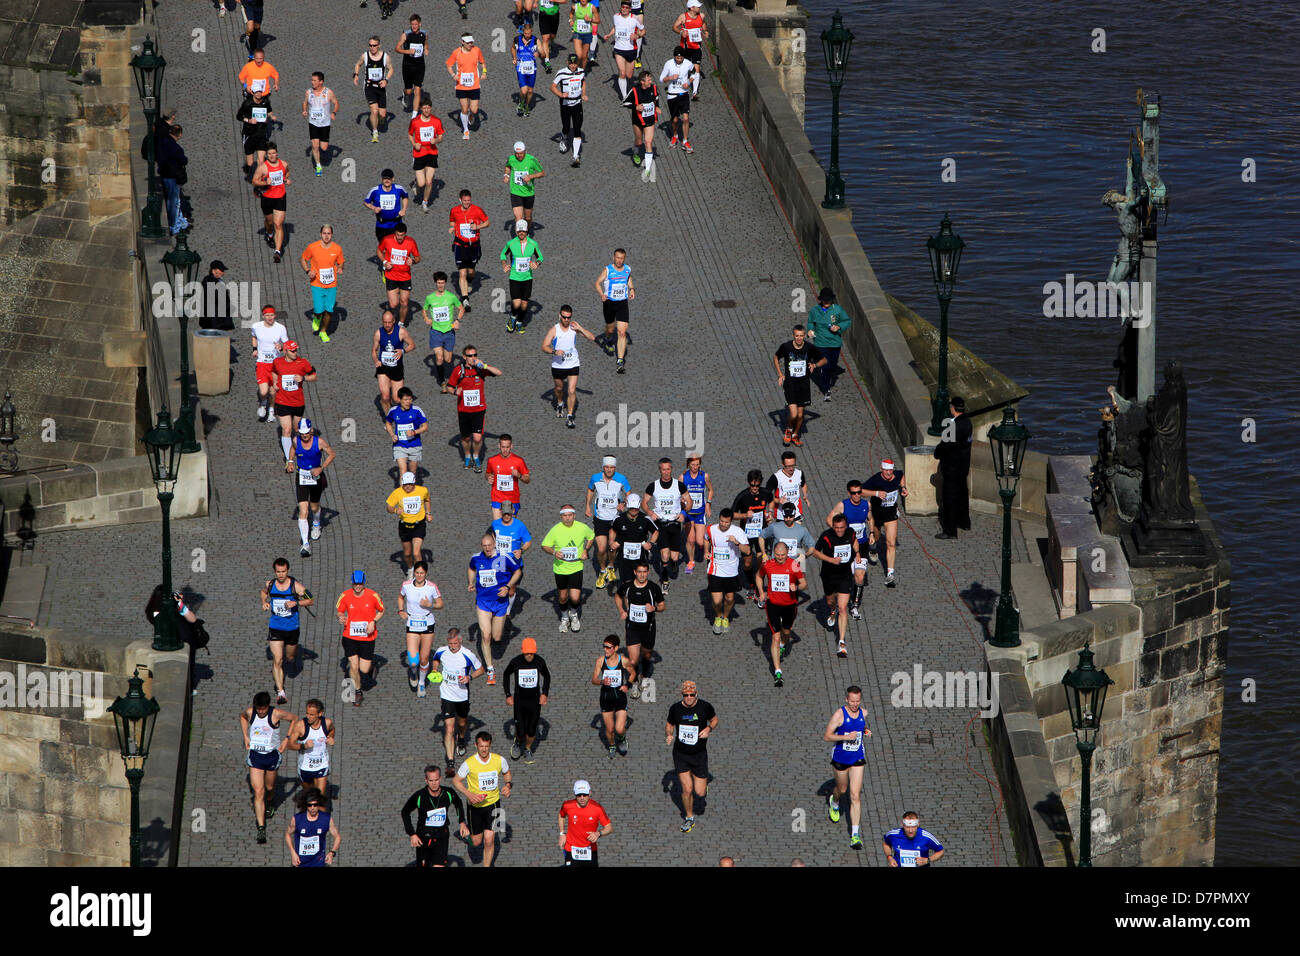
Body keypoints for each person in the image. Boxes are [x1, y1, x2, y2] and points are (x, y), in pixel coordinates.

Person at [467, 533, 523, 686]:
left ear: (494, 544)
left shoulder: (504, 558)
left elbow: (518, 572)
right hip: (483, 602)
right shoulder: (476, 558)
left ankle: (505, 623)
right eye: (484, 546)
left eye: (489, 545)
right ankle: (490, 670)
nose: (487, 548)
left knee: (497, 637)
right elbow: (471, 568)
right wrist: (471, 582)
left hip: (500, 603)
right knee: (486, 635)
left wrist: (507, 586)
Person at [240, 691, 294, 844]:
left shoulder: (276, 714)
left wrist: (287, 740)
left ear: (268, 706)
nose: (261, 712)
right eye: (258, 709)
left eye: (263, 709)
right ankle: (261, 828)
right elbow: (242, 717)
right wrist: (245, 735)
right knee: (258, 791)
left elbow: (294, 719)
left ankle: (270, 802)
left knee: (269, 787)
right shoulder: (251, 712)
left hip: (271, 757)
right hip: (256, 757)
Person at [453, 731, 512, 867]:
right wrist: (469, 794)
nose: (484, 749)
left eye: (486, 746)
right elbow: (456, 781)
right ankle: (466, 835)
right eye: (481, 746)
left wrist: (508, 785)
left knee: (490, 839)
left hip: (493, 804)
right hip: (475, 807)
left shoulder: (499, 760)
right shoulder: (469, 763)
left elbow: (507, 773)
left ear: (490, 745)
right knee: (476, 842)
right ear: (476, 745)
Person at [430, 628, 485, 771]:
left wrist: (469, 677)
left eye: (455, 643)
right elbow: (435, 659)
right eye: (450, 643)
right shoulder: (442, 651)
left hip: (462, 695)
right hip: (446, 695)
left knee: (462, 723)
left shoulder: (468, 655)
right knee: (449, 728)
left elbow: (480, 669)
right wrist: (435, 670)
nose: (452, 647)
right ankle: (450, 762)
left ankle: (461, 739)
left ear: (460, 641)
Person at [261, 558, 314, 703]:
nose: (281, 575)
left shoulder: (295, 586)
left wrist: (296, 603)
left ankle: (290, 657)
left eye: (283, 571)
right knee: (277, 660)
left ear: (288, 571)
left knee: (289, 658)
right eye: (278, 572)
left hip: (292, 628)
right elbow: (263, 592)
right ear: (275, 571)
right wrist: (264, 602)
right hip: (275, 627)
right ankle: (281, 692)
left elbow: (311, 600)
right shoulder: (270, 584)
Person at [823, 686, 871, 848]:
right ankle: (834, 801)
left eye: (857, 701)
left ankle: (855, 835)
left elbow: (861, 727)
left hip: (857, 757)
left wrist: (866, 731)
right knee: (842, 790)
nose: (855, 704)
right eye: (852, 701)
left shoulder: (864, 713)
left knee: (855, 796)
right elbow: (827, 736)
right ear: (846, 699)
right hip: (841, 758)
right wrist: (844, 736)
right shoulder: (839, 715)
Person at [666, 680, 717, 832]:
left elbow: (715, 720)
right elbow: (669, 725)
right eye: (686, 695)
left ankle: (702, 785)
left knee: (699, 792)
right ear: (682, 694)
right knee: (687, 789)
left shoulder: (705, 707)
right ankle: (689, 817)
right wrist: (669, 734)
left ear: (696, 694)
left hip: (699, 754)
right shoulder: (675, 708)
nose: (689, 698)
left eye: (692, 695)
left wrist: (709, 728)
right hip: (680, 754)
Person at [755, 541, 803, 686]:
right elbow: (758, 576)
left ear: (787, 554)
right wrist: (762, 592)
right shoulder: (768, 565)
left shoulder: (794, 564)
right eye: (777, 555)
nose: (780, 557)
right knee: (775, 637)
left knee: (786, 632)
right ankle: (778, 671)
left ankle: (783, 644)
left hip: (789, 605)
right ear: (773, 553)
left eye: (782, 555)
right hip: (773, 605)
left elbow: (804, 583)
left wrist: (797, 586)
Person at [810, 513, 858, 658]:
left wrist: (857, 553)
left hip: (845, 576)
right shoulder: (826, 536)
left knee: (843, 608)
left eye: (841, 527)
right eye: (836, 528)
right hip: (829, 576)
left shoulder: (850, 532)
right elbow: (814, 552)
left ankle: (841, 642)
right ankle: (832, 610)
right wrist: (830, 560)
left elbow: (854, 541)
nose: (839, 530)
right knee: (831, 601)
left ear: (846, 526)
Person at [540, 505, 594, 632]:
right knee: (563, 597)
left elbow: (591, 536)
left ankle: (573, 615)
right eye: (565, 516)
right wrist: (554, 552)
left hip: (576, 567)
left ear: (574, 516)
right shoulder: (556, 530)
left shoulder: (581, 527)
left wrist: (586, 550)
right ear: (561, 517)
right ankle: (564, 617)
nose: (568, 518)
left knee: (575, 598)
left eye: (570, 515)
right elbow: (544, 545)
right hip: (560, 569)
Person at [614, 560, 664, 697]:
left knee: (647, 655)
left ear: (648, 572)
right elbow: (617, 596)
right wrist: (622, 611)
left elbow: (662, 606)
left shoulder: (653, 588)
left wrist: (654, 608)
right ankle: (635, 682)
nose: (642, 575)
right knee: (633, 660)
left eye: (645, 572)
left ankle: (644, 676)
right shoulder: (628, 586)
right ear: (635, 572)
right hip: (632, 627)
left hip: (648, 628)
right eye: (639, 572)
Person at [402, 765, 468, 867]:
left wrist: (462, 822)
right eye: (431, 780)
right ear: (426, 780)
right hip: (424, 837)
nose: (434, 783)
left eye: (436, 780)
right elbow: (405, 812)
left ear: (440, 779)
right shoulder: (419, 796)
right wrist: (412, 834)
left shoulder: (448, 793)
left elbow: (458, 803)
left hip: (442, 835)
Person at [542, 304, 597, 428]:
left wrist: (580, 328)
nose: (566, 320)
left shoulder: (574, 328)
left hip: (573, 363)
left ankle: (570, 416)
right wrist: (554, 351)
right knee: (559, 389)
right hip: (558, 365)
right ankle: (560, 403)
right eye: (564, 317)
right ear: (559, 316)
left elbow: (592, 337)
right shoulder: (554, 330)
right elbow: (544, 346)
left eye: (568, 317)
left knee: (571, 390)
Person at [335, 570, 385, 706]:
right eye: (355, 584)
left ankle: (370, 668)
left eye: (360, 584)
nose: (357, 586)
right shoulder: (345, 595)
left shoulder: (373, 595)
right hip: (350, 636)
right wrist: (341, 617)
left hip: (367, 637)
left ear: (364, 583)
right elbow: (339, 611)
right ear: (352, 582)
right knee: (354, 665)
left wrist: (373, 622)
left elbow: (381, 610)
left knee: (363, 668)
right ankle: (357, 692)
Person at [286, 418, 334, 555]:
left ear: (311, 430)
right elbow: (293, 448)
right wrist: (290, 461)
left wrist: (321, 467)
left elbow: (332, 454)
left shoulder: (319, 442)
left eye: (306, 433)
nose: (304, 436)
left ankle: (317, 524)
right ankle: (305, 544)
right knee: (303, 511)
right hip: (301, 476)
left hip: (315, 477)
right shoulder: (296, 440)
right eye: (302, 433)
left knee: (314, 506)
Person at [448, 346, 501, 470]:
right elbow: (449, 387)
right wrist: (456, 392)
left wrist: (485, 366)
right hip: (463, 410)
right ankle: (467, 455)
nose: (473, 358)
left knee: (477, 438)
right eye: (470, 356)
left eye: (475, 355)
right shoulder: (458, 371)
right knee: (466, 437)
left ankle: (476, 456)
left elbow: (499, 373)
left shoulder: (480, 369)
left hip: (479, 409)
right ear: (464, 357)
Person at [826, 480, 872, 619]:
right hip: (846, 546)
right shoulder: (843, 505)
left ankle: (855, 606)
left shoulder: (866, 504)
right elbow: (829, 519)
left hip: (862, 545)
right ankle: (837, 605)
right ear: (849, 493)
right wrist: (841, 533)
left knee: (859, 576)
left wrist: (871, 534)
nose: (857, 495)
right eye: (854, 493)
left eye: (859, 492)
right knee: (841, 577)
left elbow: (870, 518)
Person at [773, 325, 826, 446]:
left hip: (804, 384)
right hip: (790, 384)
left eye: (801, 336)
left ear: (804, 336)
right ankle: (788, 430)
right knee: (794, 414)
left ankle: (795, 434)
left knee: (801, 414)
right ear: (793, 335)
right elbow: (776, 357)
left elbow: (824, 360)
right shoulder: (786, 347)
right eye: (796, 336)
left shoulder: (809, 348)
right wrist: (780, 374)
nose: (799, 338)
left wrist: (814, 365)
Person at [398, 560, 444, 696]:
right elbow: (400, 597)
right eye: (417, 573)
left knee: (424, 659)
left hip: (427, 623)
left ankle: (422, 683)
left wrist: (430, 604)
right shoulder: (406, 585)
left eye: (422, 573)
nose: (419, 576)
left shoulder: (431, 587)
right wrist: (401, 610)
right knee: (413, 661)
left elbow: (440, 603)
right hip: (412, 623)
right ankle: (413, 672)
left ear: (426, 573)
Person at [502, 637, 550, 761]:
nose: (529, 656)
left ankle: (527, 748)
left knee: (532, 730)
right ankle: (517, 743)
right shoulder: (516, 662)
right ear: (523, 651)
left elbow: (547, 676)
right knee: (521, 730)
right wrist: (508, 695)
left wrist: (544, 693)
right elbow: (506, 675)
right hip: (519, 701)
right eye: (527, 653)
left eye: (531, 653)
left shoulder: (539, 662)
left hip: (534, 701)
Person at [645, 457, 690, 591]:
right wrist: (649, 512)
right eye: (663, 469)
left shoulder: (679, 485)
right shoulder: (653, 486)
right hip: (661, 524)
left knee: (674, 557)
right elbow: (644, 502)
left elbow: (690, 502)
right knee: (664, 555)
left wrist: (683, 513)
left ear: (671, 469)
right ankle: (664, 579)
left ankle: (674, 563)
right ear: (660, 470)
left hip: (675, 524)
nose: (666, 472)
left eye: (668, 469)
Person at [586, 455, 630, 588]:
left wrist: (623, 503)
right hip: (600, 518)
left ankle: (611, 566)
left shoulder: (621, 479)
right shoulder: (595, 478)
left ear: (615, 468)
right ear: (603, 467)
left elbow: (628, 493)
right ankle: (602, 570)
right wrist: (587, 505)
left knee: (612, 547)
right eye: (607, 467)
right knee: (600, 549)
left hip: (615, 518)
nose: (609, 470)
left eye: (611, 467)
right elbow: (590, 489)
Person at [705, 508, 751, 635]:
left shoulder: (738, 532)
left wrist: (736, 543)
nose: (723, 524)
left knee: (730, 599)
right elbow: (705, 539)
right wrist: (706, 552)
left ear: (731, 521)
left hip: (731, 571)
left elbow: (747, 551)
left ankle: (725, 617)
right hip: (715, 569)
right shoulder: (711, 529)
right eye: (721, 521)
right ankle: (718, 616)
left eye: (726, 522)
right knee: (716, 600)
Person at [863, 459, 907, 586]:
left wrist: (903, 487)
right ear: (881, 469)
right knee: (876, 537)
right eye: (886, 470)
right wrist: (876, 493)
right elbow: (861, 491)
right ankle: (872, 548)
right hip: (876, 515)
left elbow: (902, 475)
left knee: (891, 544)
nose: (888, 473)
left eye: (890, 470)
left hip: (891, 515)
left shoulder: (897, 475)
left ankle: (890, 574)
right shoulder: (876, 480)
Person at [933, 396, 972, 539]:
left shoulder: (953, 427)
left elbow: (945, 446)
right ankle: (964, 522)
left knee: (949, 498)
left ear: (952, 409)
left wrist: (937, 453)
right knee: (962, 495)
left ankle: (950, 530)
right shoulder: (967, 423)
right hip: (963, 467)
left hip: (952, 469)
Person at [732, 469, 774, 600]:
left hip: (761, 532)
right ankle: (751, 583)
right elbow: (732, 514)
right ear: (749, 483)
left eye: (757, 485)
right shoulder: (742, 496)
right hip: (747, 534)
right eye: (752, 485)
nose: (755, 488)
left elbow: (771, 500)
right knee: (748, 563)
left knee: (763, 560)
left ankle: (758, 584)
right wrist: (745, 515)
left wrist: (770, 512)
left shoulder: (765, 493)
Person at [271, 341, 316, 462]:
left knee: (297, 429)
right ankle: (288, 458)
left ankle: (299, 449)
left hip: (298, 402)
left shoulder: (303, 363)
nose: (295, 353)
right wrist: (275, 383)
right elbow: (274, 371)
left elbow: (314, 376)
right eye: (292, 351)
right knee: (286, 430)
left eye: (296, 350)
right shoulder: (277, 362)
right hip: (282, 401)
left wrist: (304, 378)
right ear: (285, 351)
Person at [299, 224, 344, 343]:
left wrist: (340, 268)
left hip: (331, 284)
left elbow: (341, 262)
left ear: (332, 235)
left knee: (329, 310)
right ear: (320, 234)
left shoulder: (337, 248)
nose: (326, 236)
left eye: (329, 233)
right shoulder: (313, 247)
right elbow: (303, 259)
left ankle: (323, 331)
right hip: (317, 284)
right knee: (319, 310)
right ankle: (317, 318)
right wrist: (308, 271)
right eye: (324, 233)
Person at [806, 287, 852, 400]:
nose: (826, 302)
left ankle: (829, 374)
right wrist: (810, 330)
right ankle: (826, 388)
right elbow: (811, 322)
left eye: (829, 300)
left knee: (832, 364)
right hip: (821, 343)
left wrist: (839, 327)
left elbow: (847, 321)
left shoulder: (838, 310)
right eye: (824, 300)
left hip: (834, 343)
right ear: (821, 300)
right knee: (826, 366)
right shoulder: (814, 311)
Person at [595, 248, 634, 372]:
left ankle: (620, 361)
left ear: (624, 258)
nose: (619, 260)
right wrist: (602, 294)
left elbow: (628, 278)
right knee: (610, 328)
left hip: (622, 303)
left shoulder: (627, 269)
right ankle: (608, 339)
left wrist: (632, 289)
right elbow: (597, 283)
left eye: (622, 258)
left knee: (622, 332)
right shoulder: (608, 270)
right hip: (609, 303)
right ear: (613, 257)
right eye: (617, 257)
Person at [448, 190, 489, 310]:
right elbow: (452, 221)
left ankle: (470, 280)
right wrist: (452, 228)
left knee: (471, 271)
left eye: (469, 201)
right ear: (460, 200)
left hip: (474, 245)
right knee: (462, 272)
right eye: (465, 201)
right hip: (459, 244)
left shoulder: (477, 210)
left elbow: (487, 222)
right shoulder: (454, 210)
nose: (467, 203)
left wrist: (478, 226)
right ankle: (465, 299)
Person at [592, 635, 633, 756]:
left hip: (620, 697)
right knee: (609, 730)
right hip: (606, 697)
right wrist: (601, 681)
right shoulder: (600, 661)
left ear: (615, 648)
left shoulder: (623, 661)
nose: (605, 650)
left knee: (619, 729)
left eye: (608, 647)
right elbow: (593, 679)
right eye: (604, 647)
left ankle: (621, 739)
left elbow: (633, 673)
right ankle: (611, 745)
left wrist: (627, 686)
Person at [287, 698, 335, 801]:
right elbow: (290, 744)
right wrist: (303, 746)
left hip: (321, 764)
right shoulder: (300, 726)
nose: (308, 716)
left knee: (319, 798)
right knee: (309, 795)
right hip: (305, 767)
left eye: (312, 714)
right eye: (307, 713)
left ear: (320, 714)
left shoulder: (327, 723)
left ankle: (321, 816)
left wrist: (331, 738)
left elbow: (332, 730)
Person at [609, 493, 658, 590]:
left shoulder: (645, 519)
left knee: (640, 581)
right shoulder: (619, 519)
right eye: (631, 508)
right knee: (626, 583)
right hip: (624, 556)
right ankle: (628, 601)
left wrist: (650, 543)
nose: (634, 511)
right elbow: (612, 530)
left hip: (640, 556)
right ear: (627, 507)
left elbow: (656, 531)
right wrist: (611, 542)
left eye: (636, 509)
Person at [501, 219, 543, 334]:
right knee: (516, 303)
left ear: (527, 230)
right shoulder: (511, 243)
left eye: (523, 231)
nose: (521, 233)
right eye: (519, 231)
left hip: (527, 278)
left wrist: (537, 264)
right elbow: (503, 254)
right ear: (516, 230)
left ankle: (519, 322)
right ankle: (513, 317)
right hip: (514, 277)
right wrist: (504, 264)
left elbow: (540, 257)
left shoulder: (533, 244)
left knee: (524, 305)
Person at [373, 307, 416, 415]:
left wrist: (403, 351)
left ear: (394, 321)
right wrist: (376, 360)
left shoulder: (401, 332)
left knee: (397, 399)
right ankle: (389, 419)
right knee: (385, 396)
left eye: (389, 322)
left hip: (397, 368)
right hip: (383, 368)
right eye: (384, 322)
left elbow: (412, 345)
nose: (387, 325)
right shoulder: (378, 333)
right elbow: (374, 350)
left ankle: (393, 407)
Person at [251, 142, 289, 263]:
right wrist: (265, 182)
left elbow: (287, 173)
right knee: (269, 222)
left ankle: (277, 251)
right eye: (269, 154)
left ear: (277, 153)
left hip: (280, 197)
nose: (272, 155)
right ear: (266, 155)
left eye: (274, 153)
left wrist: (286, 180)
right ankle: (269, 232)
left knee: (278, 224)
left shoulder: (284, 164)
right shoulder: (263, 168)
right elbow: (254, 181)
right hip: (267, 198)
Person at [386, 472, 431, 576]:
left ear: (414, 483)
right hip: (404, 526)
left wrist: (428, 513)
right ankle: (411, 569)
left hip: (418, 525)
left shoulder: (422, 490)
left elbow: (427, 500)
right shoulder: (397, 493)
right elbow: (389, 507)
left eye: (410, 484)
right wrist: (395, 510)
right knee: (407, 554)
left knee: (416, 552)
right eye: (405, 484)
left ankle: (420, 573)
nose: (407, 487)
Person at [559, 780, 612, 865]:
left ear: (589, 793)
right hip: (571, 848)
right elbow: (561, 816)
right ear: (575, 794)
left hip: (590, 850)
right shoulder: (567, 805)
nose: (582, 798)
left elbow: (609, 828)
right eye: (579, 795)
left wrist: (598, 833)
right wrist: (562, 833)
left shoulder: (597, 808)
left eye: (585, 795)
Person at [378, 225, 421, 328]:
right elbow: (379, 251)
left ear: (405, 234)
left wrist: (413, 261)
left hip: (405, 277)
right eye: (397, 235)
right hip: (391, 276)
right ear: (395, 233)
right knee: (393, 304)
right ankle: (395, 313)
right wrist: (384, 262)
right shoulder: (387, 240)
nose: (399, 238)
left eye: (401, 235)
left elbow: (418, 257)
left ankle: (401, 323)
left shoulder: (411, 242)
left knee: (404, 302)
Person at [251, 304, 288, 422]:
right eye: (267, 315)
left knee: (273, 391)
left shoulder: (280, 328)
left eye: (272, 315)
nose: (270, 318)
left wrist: (281, 347)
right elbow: (254, 337)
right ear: (263, 316)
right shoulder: (256, 326)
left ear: (275, 315)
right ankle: (262, 403)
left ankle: (271, 411)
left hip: (275, 365)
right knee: (263, 391)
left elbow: (287, 345)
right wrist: (255, 349)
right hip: (262, 363)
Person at [622, 70, 660, 182]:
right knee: (639, 142)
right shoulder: (634, 90)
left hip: (649, 120)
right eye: (648, 80)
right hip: (638, 121)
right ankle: (635, 152)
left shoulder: (653, 88)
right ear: (642, 82)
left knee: (648, 142)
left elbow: (656, 98)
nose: (650, 81)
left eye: (650, 79)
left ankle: (647, 169)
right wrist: (635, 107)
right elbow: (624, 103)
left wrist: (657, 107)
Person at [550, 54, 588, 165]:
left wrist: (584, 94)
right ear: (567, 62)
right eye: (571, 63)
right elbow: (552, 86)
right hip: (565, 105)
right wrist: (561, 94)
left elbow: (583, 82)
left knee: (577, 129)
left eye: (575, 63)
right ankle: (563, 138)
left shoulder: (581, 72)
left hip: (577, 104)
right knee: (566, 127)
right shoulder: (561, 73)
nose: (573, 65)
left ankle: (575, 156)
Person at [446, 34, 486, 140]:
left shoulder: (476, 50)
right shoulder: (456, 52)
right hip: (461, 85)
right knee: (464, 108)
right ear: (462, 42)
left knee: (474, 109)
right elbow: (449, 65)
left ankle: (471, 116)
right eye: (468, 43)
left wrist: (484, 72)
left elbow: (482, 62)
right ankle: (466, 130)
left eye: (471, 42)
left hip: (474, 84)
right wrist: (453, 75)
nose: (470, 44)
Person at [407, 97, 444, 212]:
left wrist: (436, 141)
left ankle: (425, 202)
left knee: (429, 181)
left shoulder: (436, 121)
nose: (427, 110)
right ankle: (415, 185)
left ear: (431, 108)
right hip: (419, 153)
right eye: (424, 108)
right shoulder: (415, 121)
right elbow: (409, 134)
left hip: (432, 152)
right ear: (421, 109)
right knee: (422, 183)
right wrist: (414, 144)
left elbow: (441, 136)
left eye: (428, 108)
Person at [354, 36, 393, 143]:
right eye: (370, 45)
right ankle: (375, 132)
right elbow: (358, 64)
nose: (372, 48)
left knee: (383, 114)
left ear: (379, 45)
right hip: (369, 87)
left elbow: (391, 69)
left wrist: (386, 80)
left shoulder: (385, 57)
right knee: (374, 110)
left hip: (381, 87)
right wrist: (356, 75)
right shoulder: (365, 56)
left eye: (374, 45)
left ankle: (380, 120)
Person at [385, 386, 428, 480]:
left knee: (412, 472)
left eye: (410, 399)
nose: (408, 402)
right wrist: (392, 435)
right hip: (399, 445)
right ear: (399, 400)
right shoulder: (393, 411)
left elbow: (425, 427)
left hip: (414, 445)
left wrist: (414, 432)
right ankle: (402, 494)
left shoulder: (417, 410)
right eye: (405, 399)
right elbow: (388, 423)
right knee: (403, 471)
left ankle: (411, 492)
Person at [761, 502, 816, 575]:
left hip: (794, 566)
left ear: (794, 515)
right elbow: (761, 536)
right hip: (777, 565)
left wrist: (805, 555)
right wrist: (764, 554)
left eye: (790, 516)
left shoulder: (802, 530)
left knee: (796, 585)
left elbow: (812, 546)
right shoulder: (775, 527)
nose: (788, 519)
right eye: (786, 517)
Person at [286, 790, 339, 866]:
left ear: (319, 804)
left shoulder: (326, 819)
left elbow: (337, 836)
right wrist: (293, 853)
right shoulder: (297, 819)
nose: (312, 808)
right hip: (300, 862)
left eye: (315, 805)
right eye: (309, 805)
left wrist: (332, 853)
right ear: (306, 805)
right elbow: (288, 835)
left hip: (319, 862)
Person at [485, 434, 531, 519]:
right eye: (503, 447)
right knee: (497, 526)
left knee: (511, 527)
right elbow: (487, 473)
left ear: (511, 446)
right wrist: (489, 477)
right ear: (499, 446)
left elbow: (527, 479)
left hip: (513, 498)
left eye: (507, 447)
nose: (505, 450)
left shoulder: (519, 461)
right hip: (497, 497)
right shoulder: (492, 460)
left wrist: (519, 475)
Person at [679, 454, 712, 573]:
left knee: (699, 541)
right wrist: (682, 500)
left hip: (700, 512)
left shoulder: (704, 476)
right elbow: (678, 492)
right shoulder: (683, 477)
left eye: (697, 464)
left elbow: (710, 490)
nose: (695, 467)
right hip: (688, 512)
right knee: (691, 540)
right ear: (688, 464)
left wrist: (708, 504)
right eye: (693, 465)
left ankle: (706, 545)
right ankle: (691, 561)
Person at [302, 71, 339, 175]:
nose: (312, 82)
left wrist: (334, 112)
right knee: (315, 145)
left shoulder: (328, 92)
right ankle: (318, 166)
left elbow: (336, 103)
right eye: (312, 80)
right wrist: (304, 110)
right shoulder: (308, 92)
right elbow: (304, 103)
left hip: (325, 124)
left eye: (314, 80)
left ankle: (322, 151)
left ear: (321, 82)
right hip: (313, 123)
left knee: (324, 147)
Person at [605, 1, 644, 99]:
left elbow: (643, 31)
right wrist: (609, 35)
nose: (624, 9)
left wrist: (637, 35)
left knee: (629, 75)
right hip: (618, 49)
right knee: (622, 73)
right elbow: (615, 28)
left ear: (630, 9)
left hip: (631, 49)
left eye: (626, 7)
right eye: (623, 7)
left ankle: (630, 90)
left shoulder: (635, 19)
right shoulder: (616, 17)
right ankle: (624, 96)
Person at [660, 47, 696, 151]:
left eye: (681, 58)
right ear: (674, 57)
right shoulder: (669, 64)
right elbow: (661, 79)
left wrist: (688, 83)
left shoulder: (688, 63)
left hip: (683, 94)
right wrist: (671, 78)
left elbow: (695, 73)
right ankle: (675, 135)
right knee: (675, 120)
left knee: (685, 118)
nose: (679, 60)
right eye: (677, 58)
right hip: (672, 95)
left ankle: (685, 141)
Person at [155, 124, 189, 235]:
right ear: (179, 134)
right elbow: (183, 160)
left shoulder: (163, 142)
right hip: (172, 176)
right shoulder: (176, 148)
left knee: (172, 199)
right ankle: (174, 225)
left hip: (165, 174)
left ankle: (177, 221)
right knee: (174, 201)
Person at [236, 88, 275, 182]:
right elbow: (239, 116)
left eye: (260, 92)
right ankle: (251, 176)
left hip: (261, 134)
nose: (258, 94)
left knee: (261, 160)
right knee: (250, 162)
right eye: (256, 92)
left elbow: (269, 111)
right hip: (249, 134)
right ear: (253, 93)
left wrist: (270, 116)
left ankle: (260, 180)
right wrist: (249, 120)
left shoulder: (265, 101)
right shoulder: (247, 103)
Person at [505, 142, 546, 229]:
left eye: (521, 153)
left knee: (528, 218)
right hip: (515, 192)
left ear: (525, 151)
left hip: (528, 193)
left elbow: (542, 173)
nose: (519, 155)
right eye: (517, 153)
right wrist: (506, 175)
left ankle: (526, 230)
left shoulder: (531, 160)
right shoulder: (511, 159)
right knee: (518, 218)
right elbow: (508, 166)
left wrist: (531, 176)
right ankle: (520, 237)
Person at [672, 0, 708, 98]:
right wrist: (680, 32)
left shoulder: (702, 16)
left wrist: (705, 31)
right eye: (697, 6)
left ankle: (695, 92)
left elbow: (703, 24)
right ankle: (681, 88)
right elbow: (674, 27)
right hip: (685, 47)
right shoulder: (683, 17)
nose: (699, 8)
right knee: (685, 69)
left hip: (697, 47)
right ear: (692, 8)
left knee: (696, 69)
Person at [364, 169, 408, 246]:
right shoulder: (375, 190)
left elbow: (405, 197)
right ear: (382, 179)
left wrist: (404, 209)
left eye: (389, 178)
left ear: (393, 179)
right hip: (381, 224)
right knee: (384, 247)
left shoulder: (399, 189)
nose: (387, 180)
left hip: (396, 223)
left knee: (396, 246)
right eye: (385, 178)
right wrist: (374, 208)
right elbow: (366, 202)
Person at [395, 14, 428, 116]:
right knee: (409, 91)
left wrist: (426, 49)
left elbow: (425, 44)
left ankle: (414, 114)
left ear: (419, 24)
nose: (414, 26)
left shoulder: (424, 34)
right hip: (408, 65)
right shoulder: (406, 34)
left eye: (416, 24)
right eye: (412, 24)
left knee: (417, 89)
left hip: (420, 65)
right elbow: (397, 49)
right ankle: (405, 94)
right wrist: (408, 51)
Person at [766, 451, 809, 519]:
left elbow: (803, 484)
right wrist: (778, 500)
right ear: (783, 464)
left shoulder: (799, 473)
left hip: (796, 513)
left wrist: (805, 495)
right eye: (788, 466)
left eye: (793, 465)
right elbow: (766, 495)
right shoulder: (776, 477)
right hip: (781, 515)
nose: (791, 469)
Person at [513, 22, 540, 117]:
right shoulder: (517, 39)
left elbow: (543, 53)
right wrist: (515, 58)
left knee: (530, 91)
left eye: (529, 33)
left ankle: (527, 105)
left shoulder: (536, 40)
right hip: (521, 68)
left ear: (531, 32)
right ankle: (521, 102)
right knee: (524, 90)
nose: (527, 35)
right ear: (523, 32)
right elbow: (513, 48)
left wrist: (539, 54)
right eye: (525, 33)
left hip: (532, 68)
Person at [199, 259, 235, 331]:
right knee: (215, 337)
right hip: (214, 320)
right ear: (213, 271)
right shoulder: (209, 281)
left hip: (218, 318)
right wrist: (228, 305)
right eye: (221, 270)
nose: (223, 272)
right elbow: (217, 297)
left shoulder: (216, 281)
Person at [537, 0, 568, 71]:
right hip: (543, 14)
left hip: (554, 15)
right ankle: (547, 61)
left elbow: (565, 1)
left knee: (552, 36)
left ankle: (551, 42)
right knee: (545, 38)